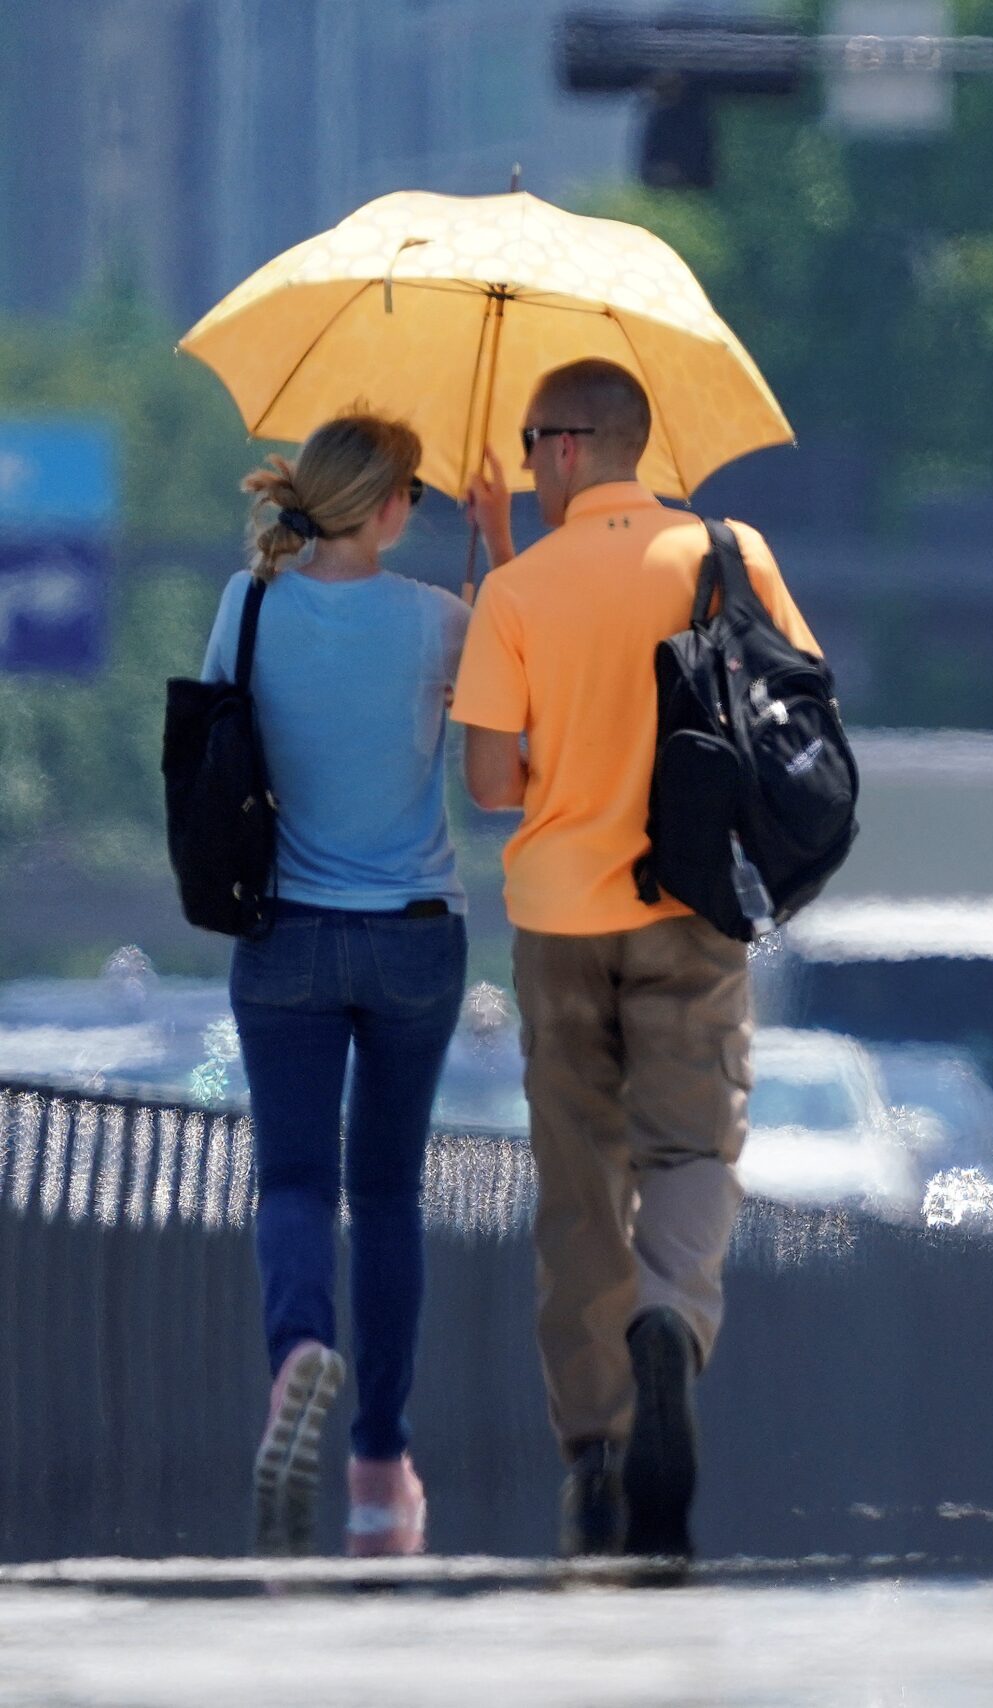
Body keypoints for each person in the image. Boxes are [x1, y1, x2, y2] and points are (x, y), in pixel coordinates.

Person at [453, 358, 822, 1558]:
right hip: (693, 907)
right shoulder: (728, 553)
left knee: (577, 1186)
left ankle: (595, 1454)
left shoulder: (517, 591)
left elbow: (492, 784)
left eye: (525, 441)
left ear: (566, 448)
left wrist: (499, 575)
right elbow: (800, 707)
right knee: (691, 1144)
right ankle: (669, 1318)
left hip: (560, 920)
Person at [208, 414, 469, 1557]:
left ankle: (296, 1357)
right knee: (393, 1195)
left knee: (297, 1178)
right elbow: (507, 726)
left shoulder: (247, 604)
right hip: (413, 940)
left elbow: (216, 736)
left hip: (286, 936)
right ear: (391, 506)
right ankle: (379, 1460)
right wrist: (496, 555)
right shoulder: (438, 621)